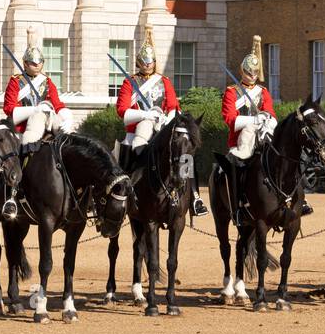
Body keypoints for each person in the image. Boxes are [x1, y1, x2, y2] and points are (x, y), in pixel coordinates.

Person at [116, 30, 208, 217]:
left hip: (163, 125)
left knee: (184, 152)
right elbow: (122, 110)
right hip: (138, 128)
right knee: (128, 148)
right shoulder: (130, 82)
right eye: (144, 62)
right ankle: (123, 193)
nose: (147, 65)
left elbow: (173, 105)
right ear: (138, 62)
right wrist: (145, 114)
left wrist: (167, 118)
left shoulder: (164, 81)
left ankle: (195, 197)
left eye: (150, 62)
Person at [220, 36, 304, 221]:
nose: (252, 76)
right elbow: (229, 118)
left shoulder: (263, 92)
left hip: (263, 136)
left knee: (287, 158)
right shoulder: (232, 91)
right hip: (241, 139)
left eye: (255, 73)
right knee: (235, 166)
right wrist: (253, 120)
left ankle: (298, 198)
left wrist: (266, 118)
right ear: (243, 71)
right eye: (249, 72)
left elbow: (270, 113)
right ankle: (238, 206)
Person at [1, 28, 74, 219]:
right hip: (23, 129)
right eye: (33, 62)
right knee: (13, 157)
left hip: (47, 125)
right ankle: (12, 196)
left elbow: (57, 103)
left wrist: (66, 118)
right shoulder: (16, 82)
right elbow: (9, 108)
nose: (36, 65)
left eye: (39, 62)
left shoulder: (47, 82)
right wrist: (34, 110)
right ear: (25, 63)